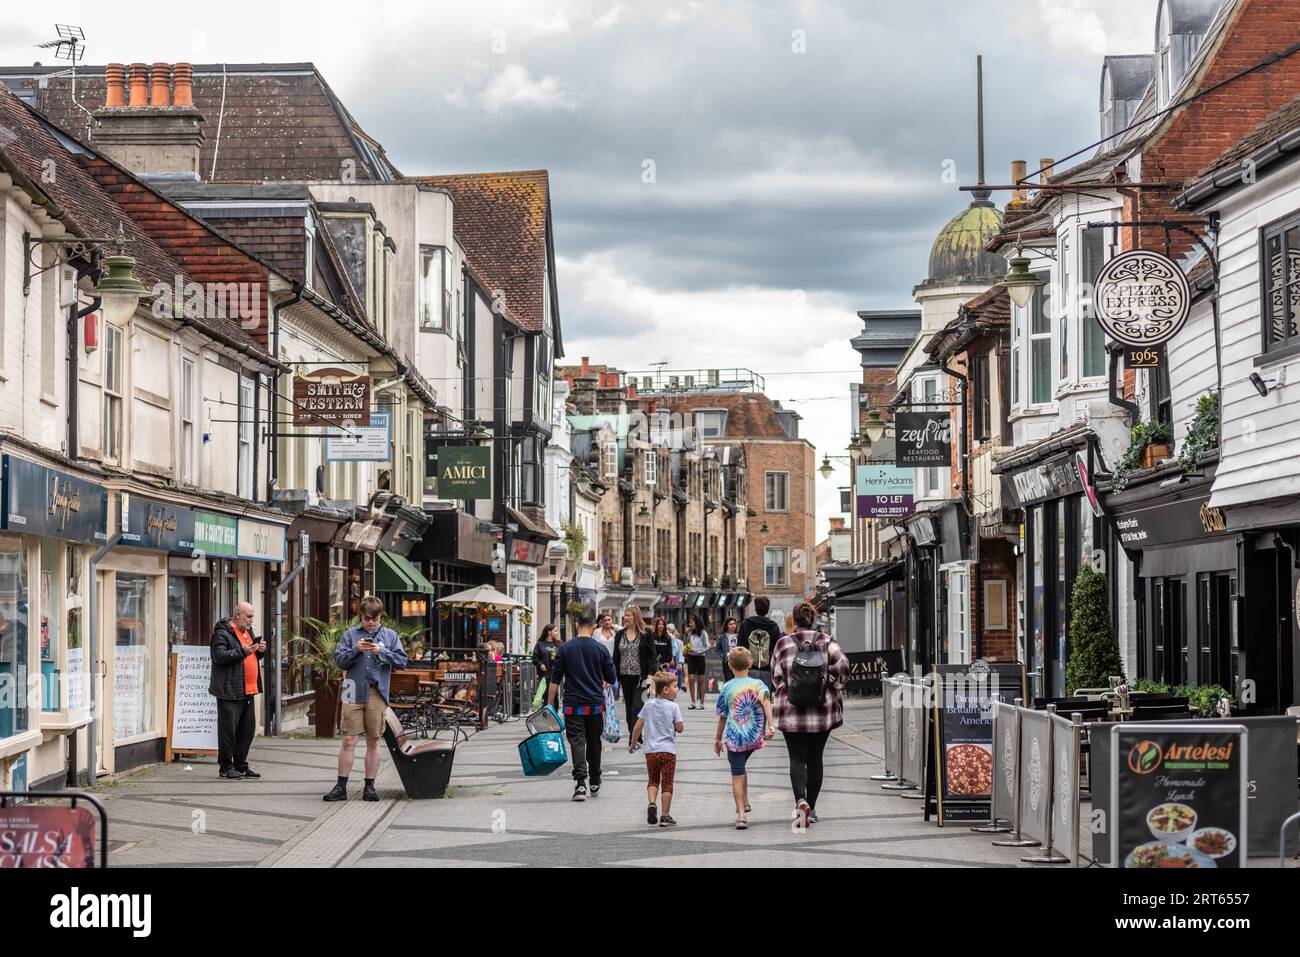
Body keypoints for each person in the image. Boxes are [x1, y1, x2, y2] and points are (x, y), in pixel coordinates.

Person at [323, 596, 409, 802]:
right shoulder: (350, 635)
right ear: (360, 616)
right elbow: (339, 662)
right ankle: (341, 786)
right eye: (366, 618)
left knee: (374, 739)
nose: (370, 622)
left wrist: (382, 651)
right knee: (348, 739)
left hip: (377, 691)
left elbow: (402, 661)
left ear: (381, 616)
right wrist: (355, 650)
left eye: (374, 618)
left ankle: (370, 786)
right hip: (352, 688)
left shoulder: (389, 635)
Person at [771, 602, 848, 828]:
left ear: (794, 621)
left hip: (791, 711)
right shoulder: (827, 642)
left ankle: (800, 801)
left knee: (796, 758)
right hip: (821, 712)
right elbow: (843, 666)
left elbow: (775, 676)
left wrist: (787, 687)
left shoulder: (782, 643)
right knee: (815, 759)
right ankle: (811, 809)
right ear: (813, 620)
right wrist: (830, 682)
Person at [547, 604, 616, 801]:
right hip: (595, 703)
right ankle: (595, 778)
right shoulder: (601, 649)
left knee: (577, 742)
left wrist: (550, 705)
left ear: (577, 625)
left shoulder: (565, 649)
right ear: (594, 625)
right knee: (594, 742)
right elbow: (611, 677)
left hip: (572, 704)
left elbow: (555, 679)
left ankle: (580, 784)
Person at [714, 647, 775, 829]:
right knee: (741, 767)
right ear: (750, 663)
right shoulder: (758, 685)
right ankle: (745, 800)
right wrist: (771, 724)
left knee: (737, 775)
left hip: (735, 739)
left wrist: (717, 739)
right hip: (754, 737)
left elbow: (723, 716)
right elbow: (766, 703)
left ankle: (741, 815)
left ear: (730, 666)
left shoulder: (726, 687)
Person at [209, 601, 265, 780]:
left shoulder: (248, 631)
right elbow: (219, 657)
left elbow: (251, 655)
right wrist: (244, 651)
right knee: (228, 731)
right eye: (248, 616)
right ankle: (225, 767)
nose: (251, 620)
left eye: (252, 617)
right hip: (229, 689)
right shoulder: (222, 633)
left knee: (247, 730)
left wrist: (260, 651)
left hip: (249, 689)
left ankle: (241, 765)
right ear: (238, 615)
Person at [630, 672, 684, 827]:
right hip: (668, 751)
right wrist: (675, 725)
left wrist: (633, 742)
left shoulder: (648, 705)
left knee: (653, 780)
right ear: (666, 690)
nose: (677, 689)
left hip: (651, 751)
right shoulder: (673, 706)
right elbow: (680, 728)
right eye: (675, 686)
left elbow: (637, 727)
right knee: (667, 783)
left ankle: (652, 803)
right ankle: (665, 816)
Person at [614, 606, 655, 751]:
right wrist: (613, 678)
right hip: (625, 676)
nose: (626, 618)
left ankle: (635, 738)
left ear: (636, 617)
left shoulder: (646, 634)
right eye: (625, 615)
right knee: (628, 707)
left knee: (637, 706)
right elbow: (616, 657)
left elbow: (652, 656)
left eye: (629, 615)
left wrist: (650, 674)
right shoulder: (619, 634)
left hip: (641, 677)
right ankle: (635, 736)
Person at [739, 596, 782, 689]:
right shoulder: (773, 626)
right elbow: (778, 649)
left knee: (751, 699)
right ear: (768, 609)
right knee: (765, 699)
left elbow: (740, 648)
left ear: (755, 608)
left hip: (750, 668)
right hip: (767, 668)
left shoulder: (746, 624)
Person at [683, 615, 710, 709]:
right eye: (689, 623)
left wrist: (697, 651)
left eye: (691, 622)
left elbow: (707, 646)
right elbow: (686, 644)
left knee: (701, 680)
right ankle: (693, 702)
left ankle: (702, 703)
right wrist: (686, 635)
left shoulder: (703, 633)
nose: (690, 624)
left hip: (700, 658)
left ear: (696, 622)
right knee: (691, 679)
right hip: (691, 657)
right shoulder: (690, 633)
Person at [532, 624, 561, 701]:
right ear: (549, 632)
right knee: (545, 695)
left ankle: (554, 712)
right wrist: (540, 664)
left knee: (555, 696)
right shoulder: (540, 644)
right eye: (555, 631)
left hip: (555, 673)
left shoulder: (559, 644)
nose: (557, 632)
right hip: (544, 674)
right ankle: (545, 711)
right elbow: (535, 658)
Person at [716, 617, 739, 685]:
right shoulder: (722, 637)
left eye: (734, 624)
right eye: (730, 624)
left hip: (738, 661)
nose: (733, 625)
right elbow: (717, 649)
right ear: (726, 625)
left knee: (737, 681)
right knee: (729, 681)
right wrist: (724, 656)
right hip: (727, 662)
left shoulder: (738, 635)